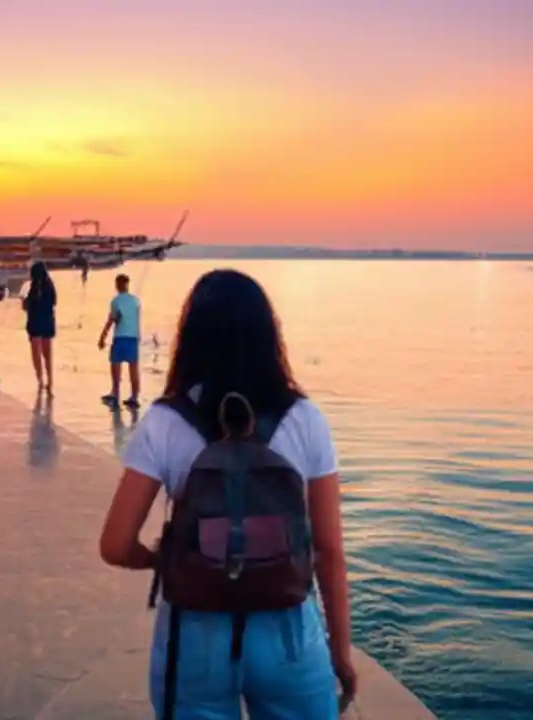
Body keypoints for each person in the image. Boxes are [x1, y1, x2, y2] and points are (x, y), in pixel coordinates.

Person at [98, 270, 356, 719]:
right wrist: (340, 652)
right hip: (287, 631)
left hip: (193, 634)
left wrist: (167, 559)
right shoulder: (305, 418)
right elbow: (329, 550)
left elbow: (116, 545)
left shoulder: (165, 421)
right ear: (268, 334)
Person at [98, 274, 141, 408]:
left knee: (115, 365)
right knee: (133, 368)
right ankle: (134, 397)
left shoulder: (116, 301)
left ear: (117, 285)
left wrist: (103, 336)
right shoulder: (136, 301)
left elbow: (113, 319)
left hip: (120, 336)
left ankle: (115, 393)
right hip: (133, 337)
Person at [23, 261, 57, 394]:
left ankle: (40, 379)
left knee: (36, 353)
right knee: (47, 354)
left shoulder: (32, 288)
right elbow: (54, 302)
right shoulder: (49, 286)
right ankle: (50, 381)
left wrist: (24, 301)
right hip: (47, 322)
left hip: (34, 322)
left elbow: (26, 306)